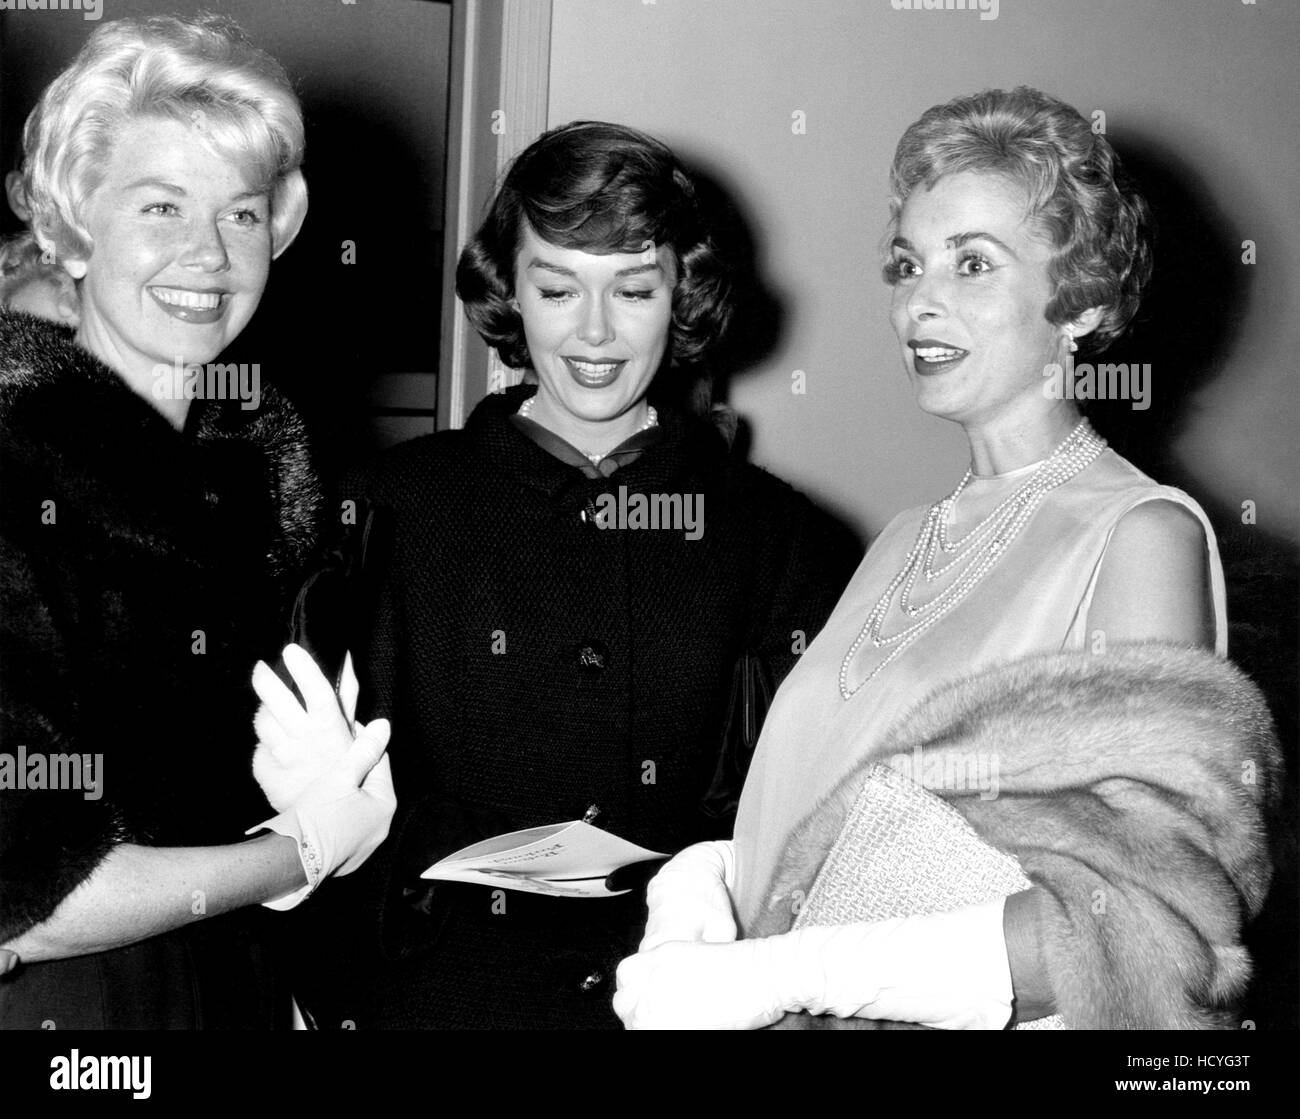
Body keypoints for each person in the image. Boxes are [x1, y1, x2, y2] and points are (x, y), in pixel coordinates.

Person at [614, 87, 1279, 1031]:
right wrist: (715, 878)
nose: (920, 302)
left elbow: (1151, 917)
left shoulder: (1137, 534)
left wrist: (798, 972)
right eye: (907, 264)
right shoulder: (897, 541)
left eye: (972, 264)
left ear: (1080, 302)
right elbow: (837, 824)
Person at [296, 120, 859, 1029]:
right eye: (557, 288)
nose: (594, 333)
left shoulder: (784, 536)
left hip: (686, 1000)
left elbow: (810, 827)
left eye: (634, 289)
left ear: (683, 295)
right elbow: (317, 817)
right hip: (437, 999)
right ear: (509, 294)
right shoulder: (388, 509)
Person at [0, 14, 393, 1029]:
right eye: (161, 205)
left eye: (241, 214)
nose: (208, 255)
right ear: (74, 230)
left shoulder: (259, 467)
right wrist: (296, 852)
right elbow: (25, 898)